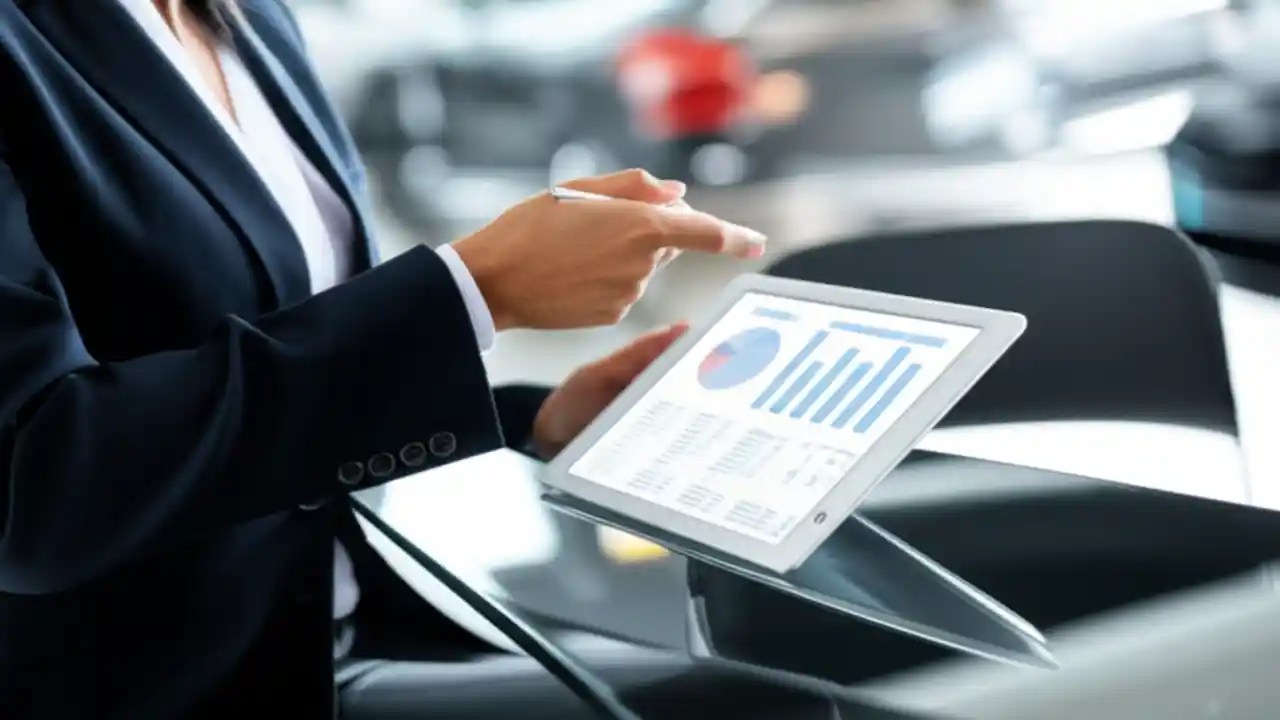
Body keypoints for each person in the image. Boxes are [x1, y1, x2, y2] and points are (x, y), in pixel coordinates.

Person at [0, 0, 808, 717]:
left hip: (338, 630)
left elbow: (286, 339)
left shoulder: (250, 17)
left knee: (772, 699)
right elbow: (32, 486)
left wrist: (528, 413)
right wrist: (476, 293)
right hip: (150, 685)